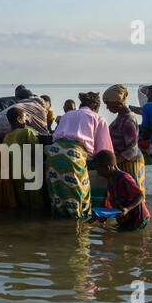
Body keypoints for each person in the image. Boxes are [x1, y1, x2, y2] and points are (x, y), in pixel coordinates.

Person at [47, 91, 113, 219]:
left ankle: (58, 223)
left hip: (54, 153)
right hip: (74, 156)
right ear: (97, 107)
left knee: (58, 193)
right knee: (79, 195)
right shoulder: (98, 118)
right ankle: (79, 228)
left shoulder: (68, 115)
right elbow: (104, 152)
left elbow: (55, 136)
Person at [92, 150, 150, 231]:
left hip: (138, 219)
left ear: (108, 168)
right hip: (126, 218)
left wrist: (127, 209)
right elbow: (107, 202)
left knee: (124, 238)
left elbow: (140, 196)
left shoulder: (124, 178)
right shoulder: (111, 179)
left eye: (99, 170)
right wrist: (98, 217)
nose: (98, 174)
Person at [102, 84, 145, 191]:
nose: (107, 108)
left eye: (108, 104)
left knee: (133, 195)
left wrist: (113, 162)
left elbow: (132, 150)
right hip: (121, 163)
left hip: (130, 164)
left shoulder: (128, 119)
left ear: (118, 102)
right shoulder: (120, 117)